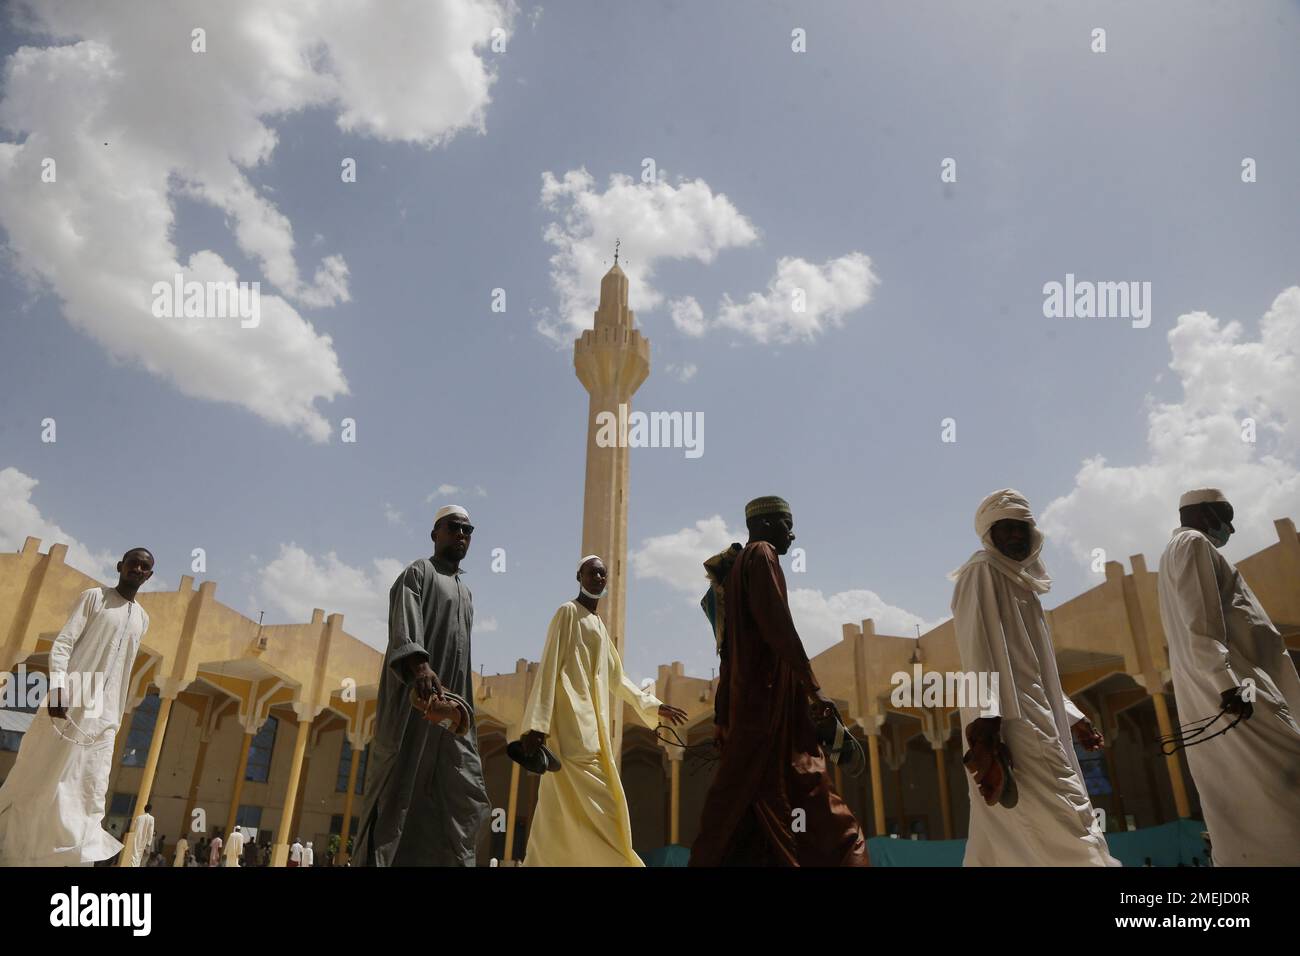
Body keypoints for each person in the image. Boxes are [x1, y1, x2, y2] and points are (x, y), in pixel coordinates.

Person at [690, 497, 869, 867]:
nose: (792, 533)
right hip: (771, 718)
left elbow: (726, 655)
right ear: (767, 524)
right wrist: (814, 688)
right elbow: (779, 627)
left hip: (749, 719)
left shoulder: (736, 570)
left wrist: (723, 716)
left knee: (737, 814)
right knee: (823, 811)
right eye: (787, 524)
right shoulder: (761, 554)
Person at [951, 489, 1118, 866]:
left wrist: (1074, 718)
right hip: (1009, 721)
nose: (1014, 536)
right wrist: (986, 726)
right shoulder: (982, 571)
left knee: (1009, 833)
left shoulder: (1024, 585)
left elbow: (1039, 672)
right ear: (988, 534)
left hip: (1037, 714)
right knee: (1065, 815)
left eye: (1021, 528)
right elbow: (976, 649)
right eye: (1005, 528)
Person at [1156, 488, 1300, 865]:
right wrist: (1227, 684)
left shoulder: (1180, 551)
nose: (1232, 528)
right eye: (1225, 515)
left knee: (1251, 799)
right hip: (1239, 691)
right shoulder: (1192, 544)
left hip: (1224, 690)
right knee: (1286, 779)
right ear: (1203, 513)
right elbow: (1200, 620)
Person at [515, 556, 688, 866]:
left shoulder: (598, 625)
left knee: (555, 812)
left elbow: (617, 678)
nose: (598, 577)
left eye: (602, 574)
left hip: (592, 730)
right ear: (578, 575)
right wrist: (537, 725)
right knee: (599, 806)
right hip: (569, 732)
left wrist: (653, 704)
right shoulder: (567, 613)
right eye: (592, 572)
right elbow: (549, 665)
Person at [354, 505, 490, 866]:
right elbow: (405, 626)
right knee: (399, 790)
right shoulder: (418, 573)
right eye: (453, 527)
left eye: (468, 529)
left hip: (450, 711)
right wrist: (421, 667)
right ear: (436, 534)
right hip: (413, 704)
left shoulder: (466, 592)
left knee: (457, 793)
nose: (462, 534)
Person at [0, 548, 154, 866]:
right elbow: (64, 643)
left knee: (91, 782)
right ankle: (17, 849)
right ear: (120, 566)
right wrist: (58, 690)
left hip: (106, 713)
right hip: (69, 699)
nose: (138, 568)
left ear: (149, 575)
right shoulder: (94, 598)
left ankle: (75, 855)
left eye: (145, 566)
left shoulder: (142, 618)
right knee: (42, 772)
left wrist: (114, 712)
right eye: (133, 563)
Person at [128, 803, 155, 867]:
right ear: (150, 810)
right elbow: (151, 831)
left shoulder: (138, 817)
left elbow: (133, 828)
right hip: (144, 840)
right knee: (139, 856)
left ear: (144, 809)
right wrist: (149, 842)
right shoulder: (151, 818)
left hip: (136, 838)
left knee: (134, 855)